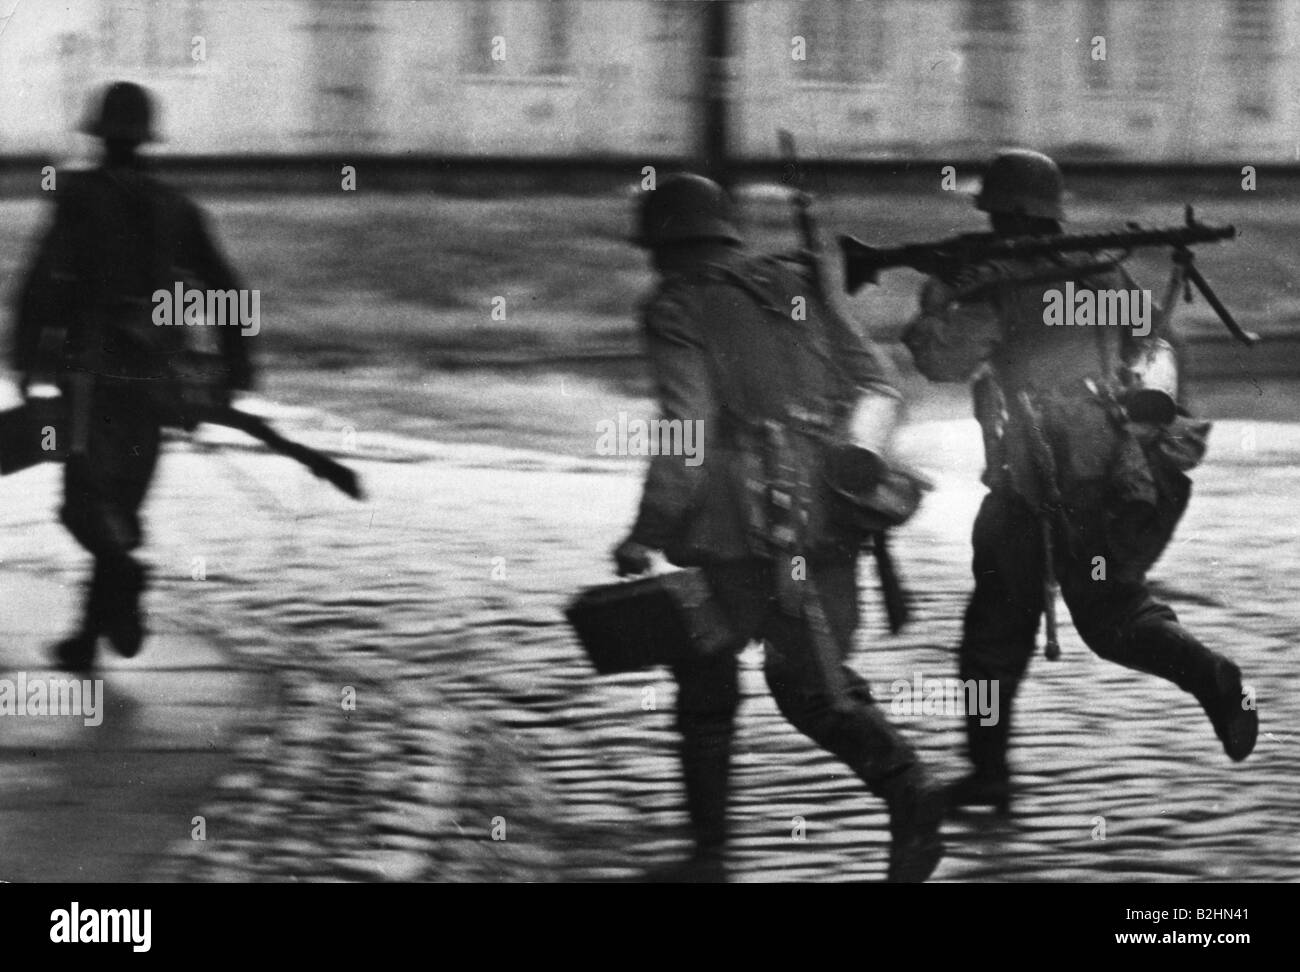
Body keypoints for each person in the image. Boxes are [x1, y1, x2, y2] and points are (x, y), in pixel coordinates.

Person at [901, 149, 1258, 815]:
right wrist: (1137, 424)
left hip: (1030, 483)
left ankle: (989, 775)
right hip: (1108, 476)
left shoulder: (996, 283)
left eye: (997, 214)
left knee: (995, 638)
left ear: (1007, 214)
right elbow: (1158, 351)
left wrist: (937, 298)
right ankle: (1208, 676)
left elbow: (941, 360)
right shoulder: (1103, 270)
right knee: (1109, 610)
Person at [613, 172, 945, 882]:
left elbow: (688, 428)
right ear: (725, 236)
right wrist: (852, 459)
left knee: (740, 681)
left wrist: (648, 527)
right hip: (823, 513)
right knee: (794, 681)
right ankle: (901, 794)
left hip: (732, 525)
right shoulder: (793, 285)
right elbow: (881, 388)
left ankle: (720, 852)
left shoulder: (676, 305)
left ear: (663, 247)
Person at [11, 81, 255, 671]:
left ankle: (123, 573)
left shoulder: (77, 198)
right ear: (146, 140)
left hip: (91, 379)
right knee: (120, 503)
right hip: (156, 382)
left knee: (83, 506)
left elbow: (40, 283)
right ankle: (86, 643)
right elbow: (226, 289)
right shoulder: (176, 205)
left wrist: (26, 360)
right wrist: (234, 369)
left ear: (98, 138)